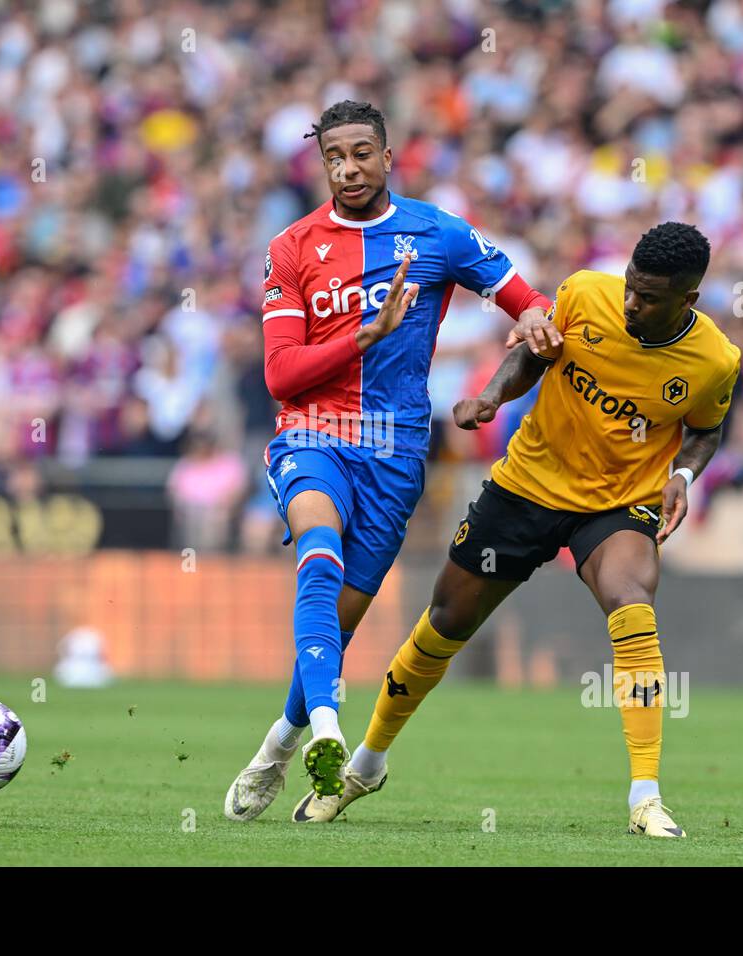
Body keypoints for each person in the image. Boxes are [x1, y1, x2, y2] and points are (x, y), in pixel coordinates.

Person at [296, 222, 741, 837]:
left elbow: (706, 429)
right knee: (446, 621)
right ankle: (368, 763)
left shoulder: (715, 360)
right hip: (528, 484)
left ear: (687, 300)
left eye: (650, 297)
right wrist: (491, 398)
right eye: (632, 288)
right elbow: (535, 350)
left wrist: (684, 477)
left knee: (631, 599)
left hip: (617, 502)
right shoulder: (586, 293)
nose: (633, 302)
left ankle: (646, 797)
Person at [224, 100, 555, 821]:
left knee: (337, 625)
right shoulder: (291, 248)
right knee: (318, 553)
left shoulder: (435, 232)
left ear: (387, 154)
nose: (347, 168)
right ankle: (332, 733)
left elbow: (517, 292)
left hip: (396, 453)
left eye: (360, 153)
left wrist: (530, 314)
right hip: (312, 434)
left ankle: (280, 743)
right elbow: (282, 376)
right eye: (334, 156)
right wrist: (365, 336)